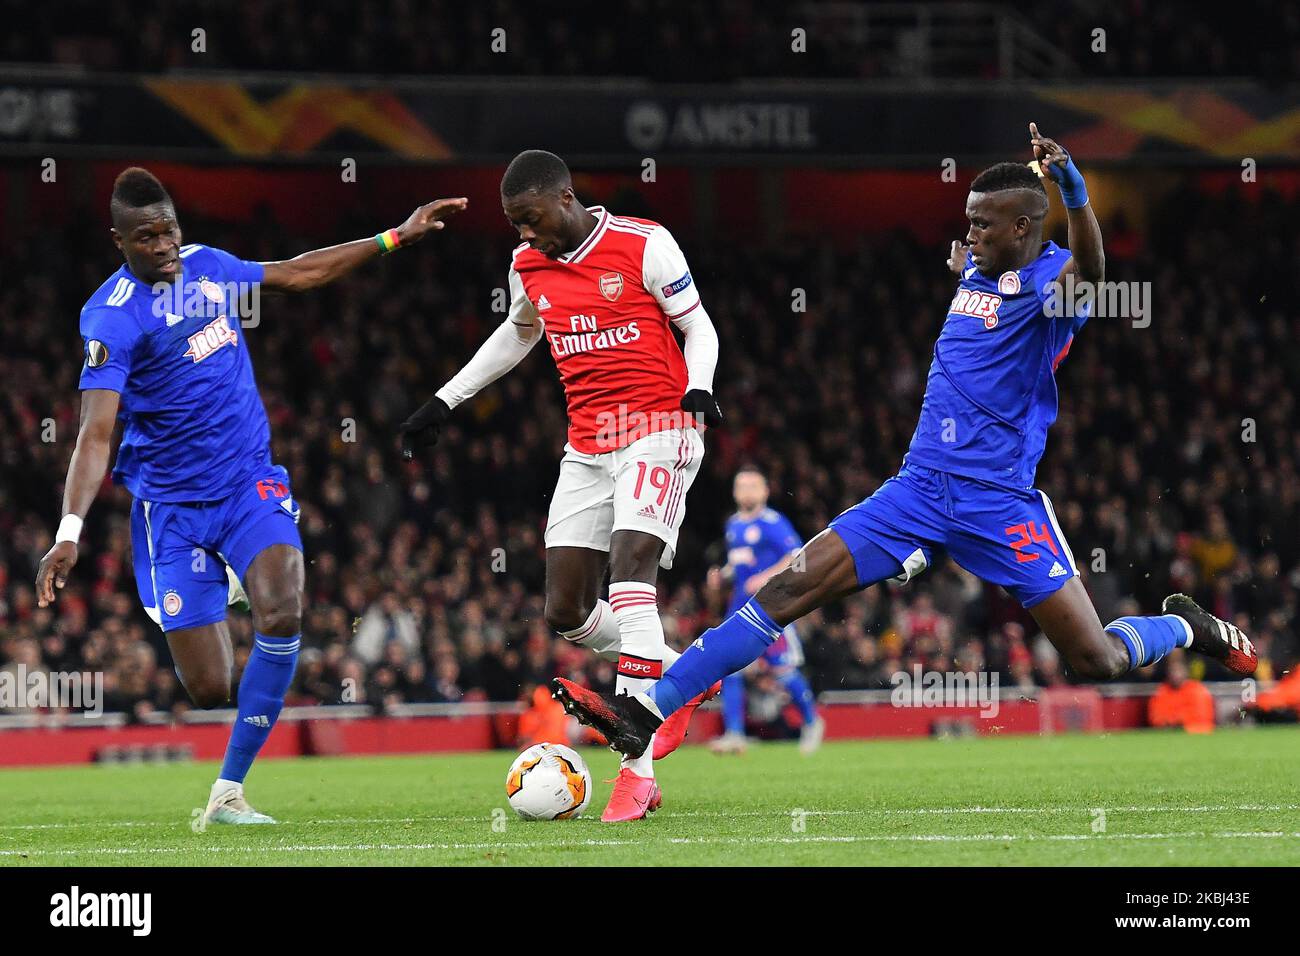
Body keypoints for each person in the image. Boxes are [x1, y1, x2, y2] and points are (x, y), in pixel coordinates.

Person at [551, 123, 1259, 760]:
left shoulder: (1051, 290)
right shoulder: (983, 271)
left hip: (998, 503)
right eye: (968, 223)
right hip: (917, 489)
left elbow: (1096, 277)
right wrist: (972, 266)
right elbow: (983, 296)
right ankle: (648, 709)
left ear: (1024, 225)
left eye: (983, 224)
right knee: (789, 586)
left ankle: (1184, 627)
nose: (970, 234)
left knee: (1096, 660)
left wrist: (1072, 188)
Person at [35, 167, 465, 824]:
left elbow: (298, 272)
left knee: (285, 611)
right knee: (211, 684)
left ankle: (229, 791)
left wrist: (395, 237)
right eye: (146, 237)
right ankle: (223, 586)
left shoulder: (209, 267)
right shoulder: (111, 318)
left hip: (247, 483)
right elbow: (96, 434)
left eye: (169, 230)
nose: (163, 245)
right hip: (173, 511)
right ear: (118, 240)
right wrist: (69, 532)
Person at [399, 150, 722, 822]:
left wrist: (699, 386)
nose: (524, 233)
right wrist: (444, 402)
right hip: (586, 446)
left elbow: (697, 325)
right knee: (566, 609)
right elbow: (516, 337)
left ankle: (637, 768)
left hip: (661, 425)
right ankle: (681, 673)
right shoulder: (528, 267)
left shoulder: (644, 243)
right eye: (515, 223)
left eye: (530, 218)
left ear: (566, 198)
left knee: (632, 571)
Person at [708, 466, 823, 755]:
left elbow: (797, 556)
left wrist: (766, 577)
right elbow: (740, 565)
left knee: (783, 671)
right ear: (735, 492)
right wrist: (722, 575)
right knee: (730, 670)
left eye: (752, 486)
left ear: (764, 491)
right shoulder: (732, 525)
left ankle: (812, 721)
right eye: (741, 486)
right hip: (738, 608)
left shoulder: (773, 522)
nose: (746, 491)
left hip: (771, 608)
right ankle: (735, 733)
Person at [1147, 651, 1215, 733]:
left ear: (1186, 672)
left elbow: (1204, 716)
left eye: (1179, 671)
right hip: (1169, 733)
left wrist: (1181, 721)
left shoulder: (1197, 690)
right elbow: (1156, 718)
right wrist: (1172, 722)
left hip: (1194, 731)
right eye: (1173, 671)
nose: (1176, 675)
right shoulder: (1162, 691)